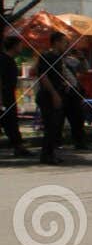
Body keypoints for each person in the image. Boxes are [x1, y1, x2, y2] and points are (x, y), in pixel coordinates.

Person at [34, 32, 73, 165]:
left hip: (57, 94)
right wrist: (54, 94)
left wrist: (64, 84)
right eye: (64, 42)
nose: (66, 45)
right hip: (48, 96)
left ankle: (51, 153)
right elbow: (43, 77)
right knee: (50, 126)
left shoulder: (59, 58)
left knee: (56, 126)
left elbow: (57, 76)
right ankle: (46, 155)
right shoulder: (47, 56)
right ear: (56, 42)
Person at [1, 33, 29, 158]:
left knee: (11, 122)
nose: (21, 48)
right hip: (3, 96)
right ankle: (18, 146)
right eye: (19, 45)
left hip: (9, 95)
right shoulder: (3, 60)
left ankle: (19, 146)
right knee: (9, 121)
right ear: (14, 46)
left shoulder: (10, 60)